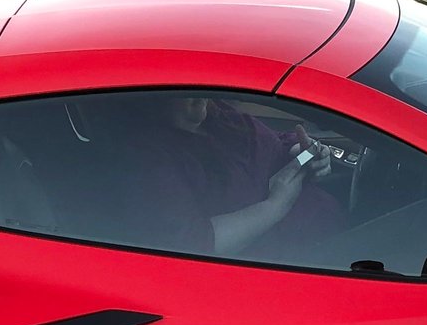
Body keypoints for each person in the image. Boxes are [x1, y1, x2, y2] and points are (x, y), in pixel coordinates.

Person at [124, 94, 340, 258]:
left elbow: (273, 142)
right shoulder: (147, 162)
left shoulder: (216, 111)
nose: (201, 113)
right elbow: (191, 243)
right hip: (301, 263)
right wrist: (276, 206)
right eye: (184, 99)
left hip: (328, 230)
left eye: (201, 97)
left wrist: (302, 155)